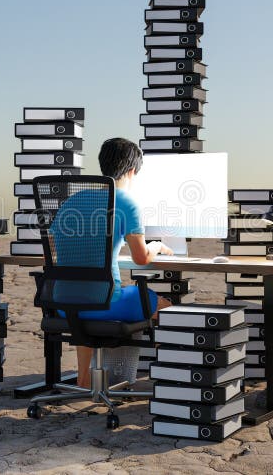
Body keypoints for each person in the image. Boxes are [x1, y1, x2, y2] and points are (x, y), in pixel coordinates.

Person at [49, 137, 173, 388]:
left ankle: (84, 380)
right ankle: (173, 379)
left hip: (63, 304)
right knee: (167, 307)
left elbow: (50, 255)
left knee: (83, 300)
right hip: (107, 303)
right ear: (131, 170)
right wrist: (158, 245)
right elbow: (141, 258)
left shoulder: (72, 202)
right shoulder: (126, 203)